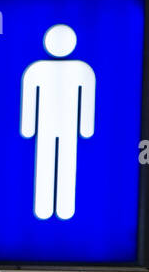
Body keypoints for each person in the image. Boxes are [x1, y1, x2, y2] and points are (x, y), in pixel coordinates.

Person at [20, 23, 96, 220]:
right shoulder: (39, 70)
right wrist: (28, 127)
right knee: (50, 160)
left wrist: (28, 127)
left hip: (65, 126)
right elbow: (29, 99)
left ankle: (60, 208)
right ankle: (48, 208)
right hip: (50, 125)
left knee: (64, 161)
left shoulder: (81, 70)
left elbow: (87, 100)